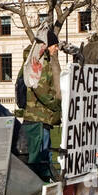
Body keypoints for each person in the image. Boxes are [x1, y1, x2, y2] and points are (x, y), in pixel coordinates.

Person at [20, 31, 62, 180]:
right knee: (40, 157)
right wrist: (57, 104)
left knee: (42, 155)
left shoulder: (43, 59)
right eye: (55, 45)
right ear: (47, 45)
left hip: (41, 117)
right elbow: (42, 89)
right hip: (39, 116)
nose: (56, 48)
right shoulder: (39, 61)